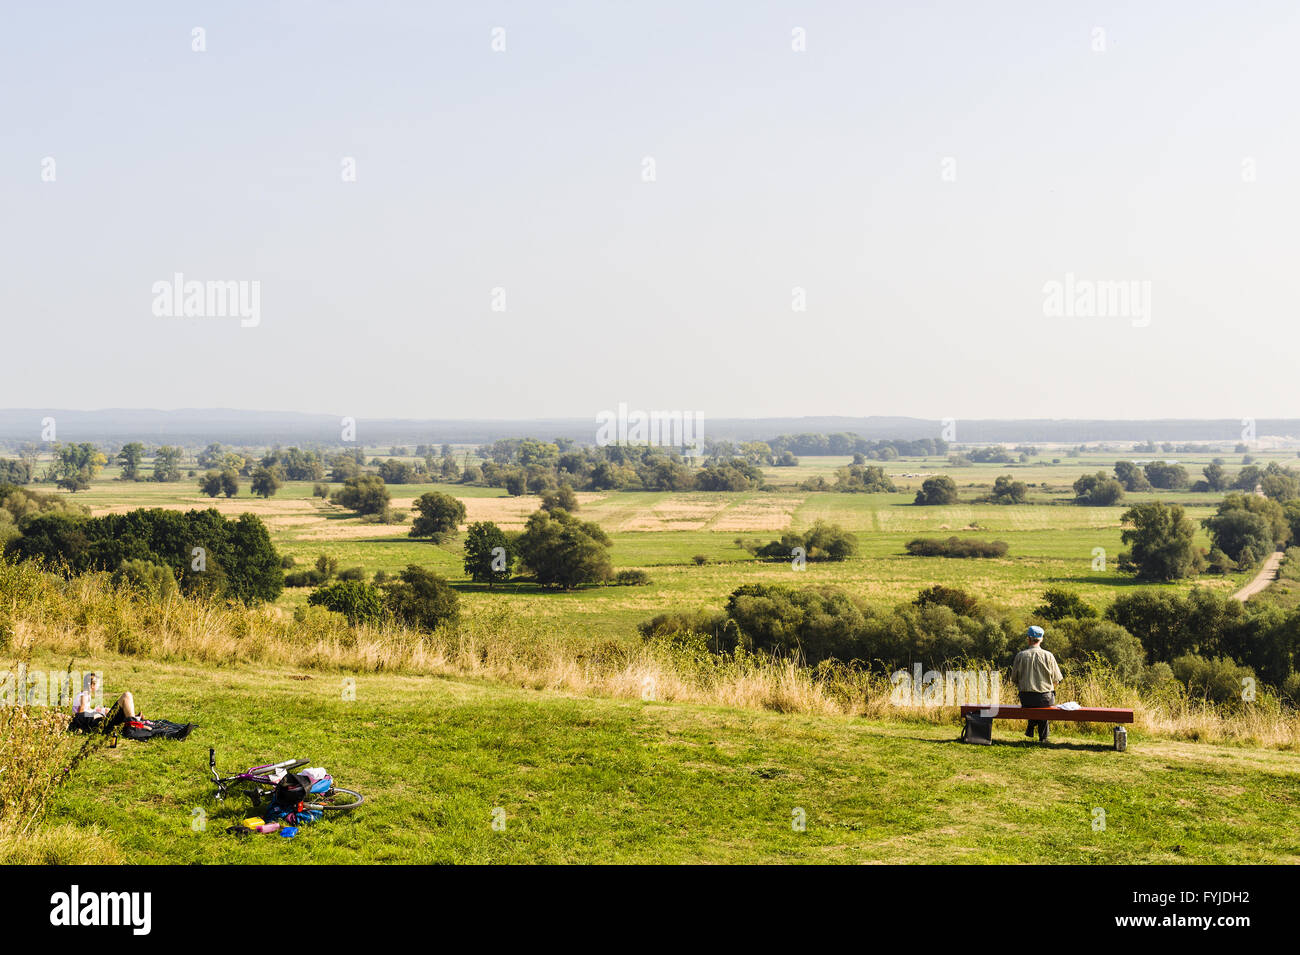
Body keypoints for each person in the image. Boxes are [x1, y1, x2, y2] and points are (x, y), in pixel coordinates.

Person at [1010, 625, 1063, 742]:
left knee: (1034, 705)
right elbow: (1057, 679)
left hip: (1026, 698)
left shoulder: (1020, 656)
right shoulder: (1049, 656)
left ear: (1028, 639)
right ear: (1041, 639)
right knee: (1043, 706)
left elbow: (1014, 679)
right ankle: (1043, 738)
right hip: (1045, 697)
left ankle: (1031, 725)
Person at [71, 673, 137, 728]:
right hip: (88, 720)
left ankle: (133, 716)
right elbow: (80, 712)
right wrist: (96, 713)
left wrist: (95, 710)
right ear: (92, 685)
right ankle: (133, 718)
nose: (99, 686)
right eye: (98, 684)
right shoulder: (84, 696)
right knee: (107, 711)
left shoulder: (86, 694)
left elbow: (86, 708)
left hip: (90, 717)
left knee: (106, 710)